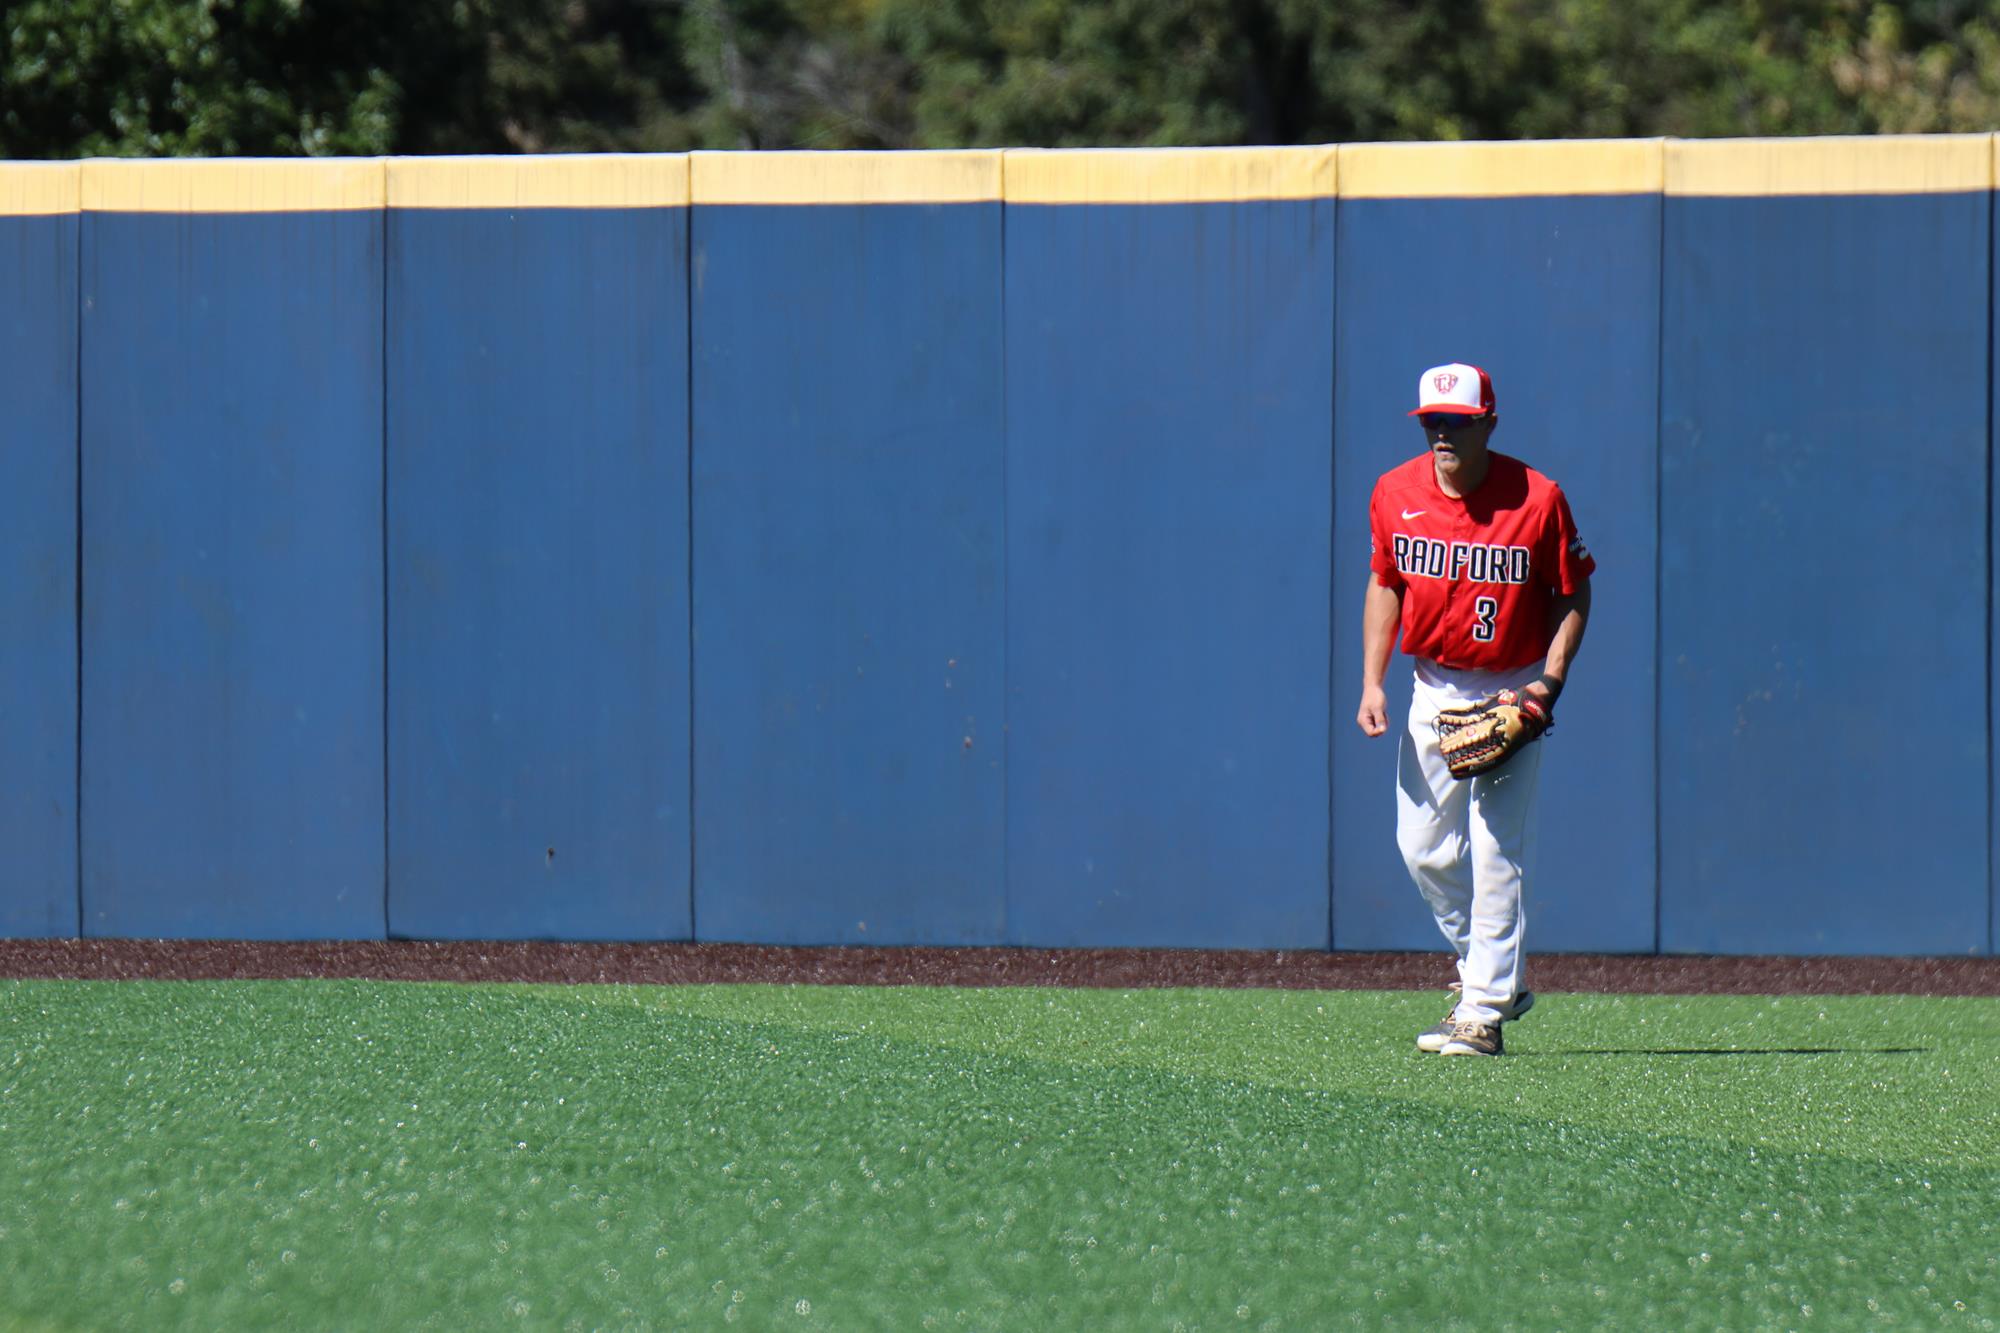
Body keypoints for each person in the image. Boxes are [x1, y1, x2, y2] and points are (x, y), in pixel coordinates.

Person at [1356, 363, 1594, 1057]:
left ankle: (1483, 1010)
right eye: (1432, 420)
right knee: (1422, 848)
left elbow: (1573, 593)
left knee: (1497, 849)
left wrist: (1546, 684)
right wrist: (1373, 682)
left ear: (1489, 421)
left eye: (1457, 421)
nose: (1442, 433)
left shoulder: (1538, 498)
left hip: (1510, 687)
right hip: (1432, 685)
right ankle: (1503, 971)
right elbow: (1385, 583)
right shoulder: (1394, 492)